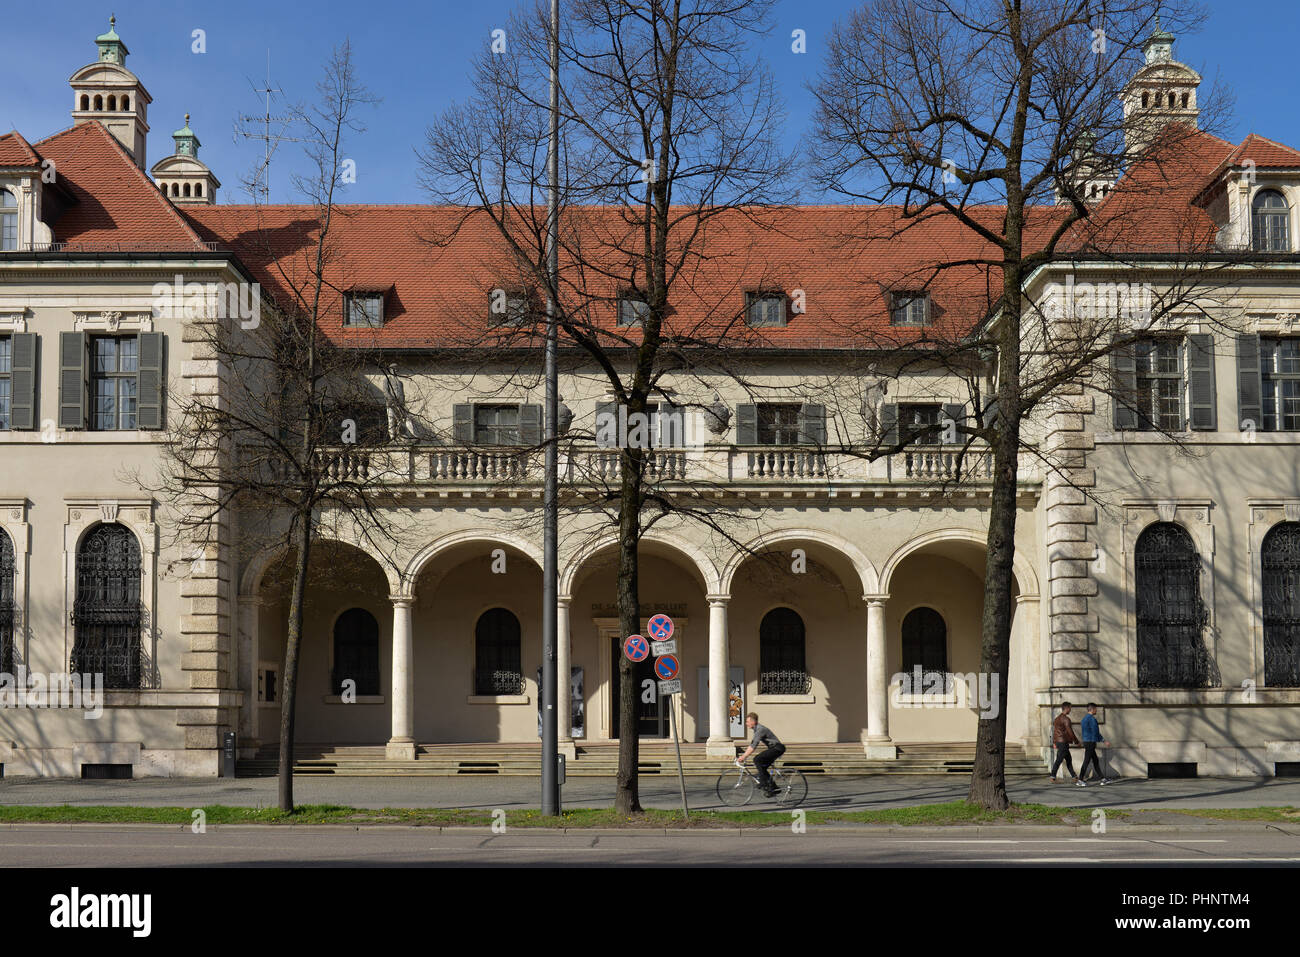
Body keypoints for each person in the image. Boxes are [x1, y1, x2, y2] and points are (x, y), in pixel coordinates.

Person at [738, 713, 785, 796]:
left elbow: (753, 746)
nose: (746, 724)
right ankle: (774, 788)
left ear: (754, 722)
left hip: (777, 748)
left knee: (757, 759)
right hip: (774, 749)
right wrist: (744, 755)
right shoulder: (757, 730)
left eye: (747, 721)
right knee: (762, 768)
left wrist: (744, 756)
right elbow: (752, 744)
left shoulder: (760, 729)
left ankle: (764, 784)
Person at [1049, 701, 1083, 786]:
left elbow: (1055, 731)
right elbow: (1070, 731)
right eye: (1070, 708)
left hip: (1060, 742)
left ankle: (1074, 776)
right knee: (1059, 760)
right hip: (1063, 742)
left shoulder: (1057, 719)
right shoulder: (1066, 719)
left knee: (1068, 760)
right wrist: (1076, 741)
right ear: (1067, 708)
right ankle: (1053, 776)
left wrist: (1054, 742)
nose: (1070, 710)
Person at [1079, 702, 1110, 785]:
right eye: (1096, 709)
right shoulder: (1092, 719)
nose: (1097, 710)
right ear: (1092, 709)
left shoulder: (1084, 719)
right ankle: (1080, 779)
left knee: (1095, 761)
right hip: (1091, 742)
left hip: (1086, 741)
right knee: (1086, 761)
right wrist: (1104, 741)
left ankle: (1103, 778)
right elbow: (1095, 732)